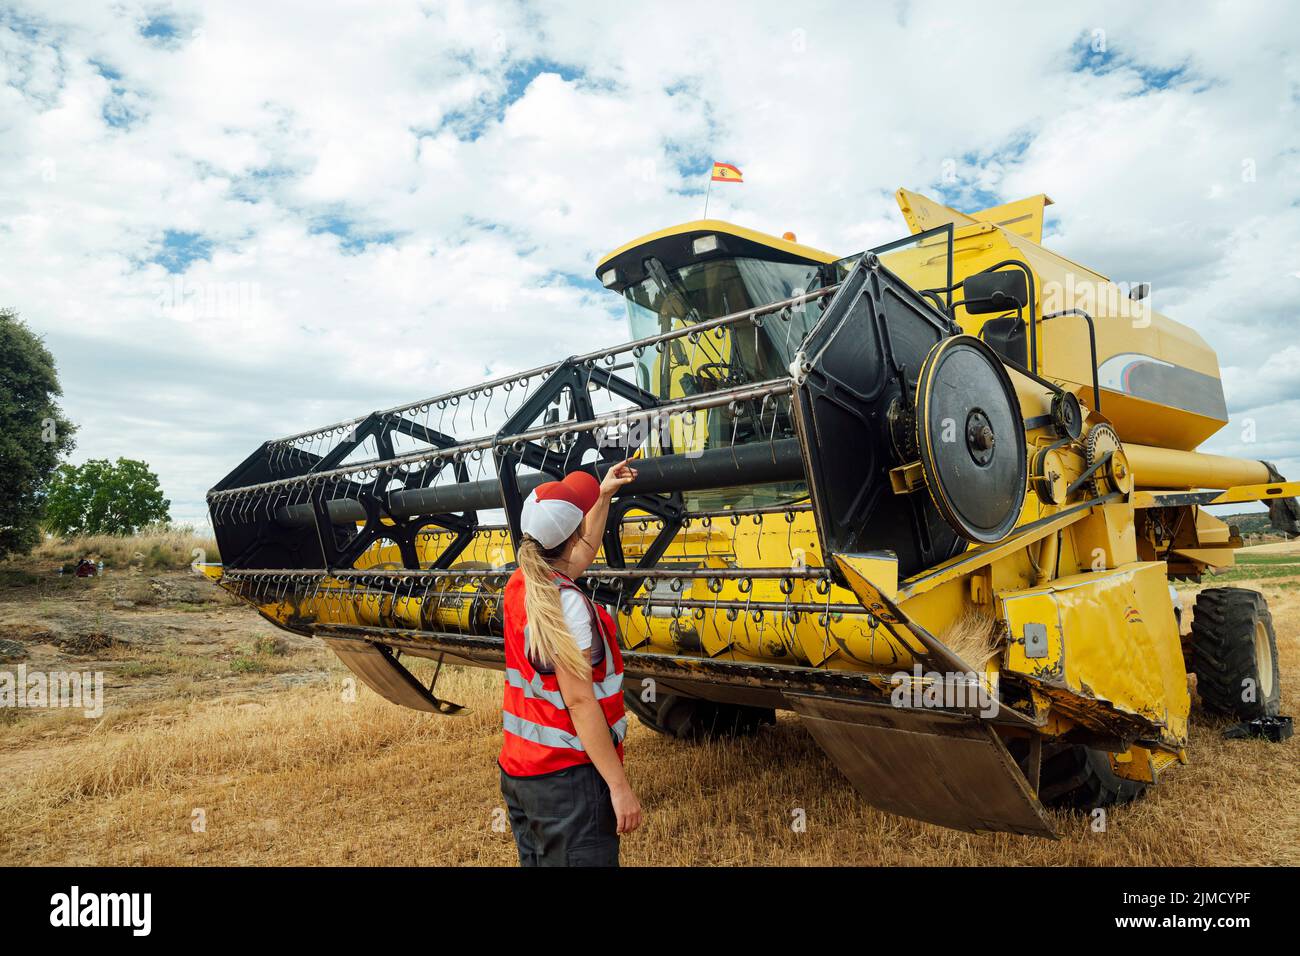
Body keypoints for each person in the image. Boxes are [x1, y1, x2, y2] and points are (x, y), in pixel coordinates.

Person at [498, 459, 643, 866]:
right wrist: (619, 786)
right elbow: (580, 703)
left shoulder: (521, 583)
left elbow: (580, 554)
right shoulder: (568, 606)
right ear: (571, 534)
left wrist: (604, 494)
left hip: (522, 775)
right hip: (568, 782)